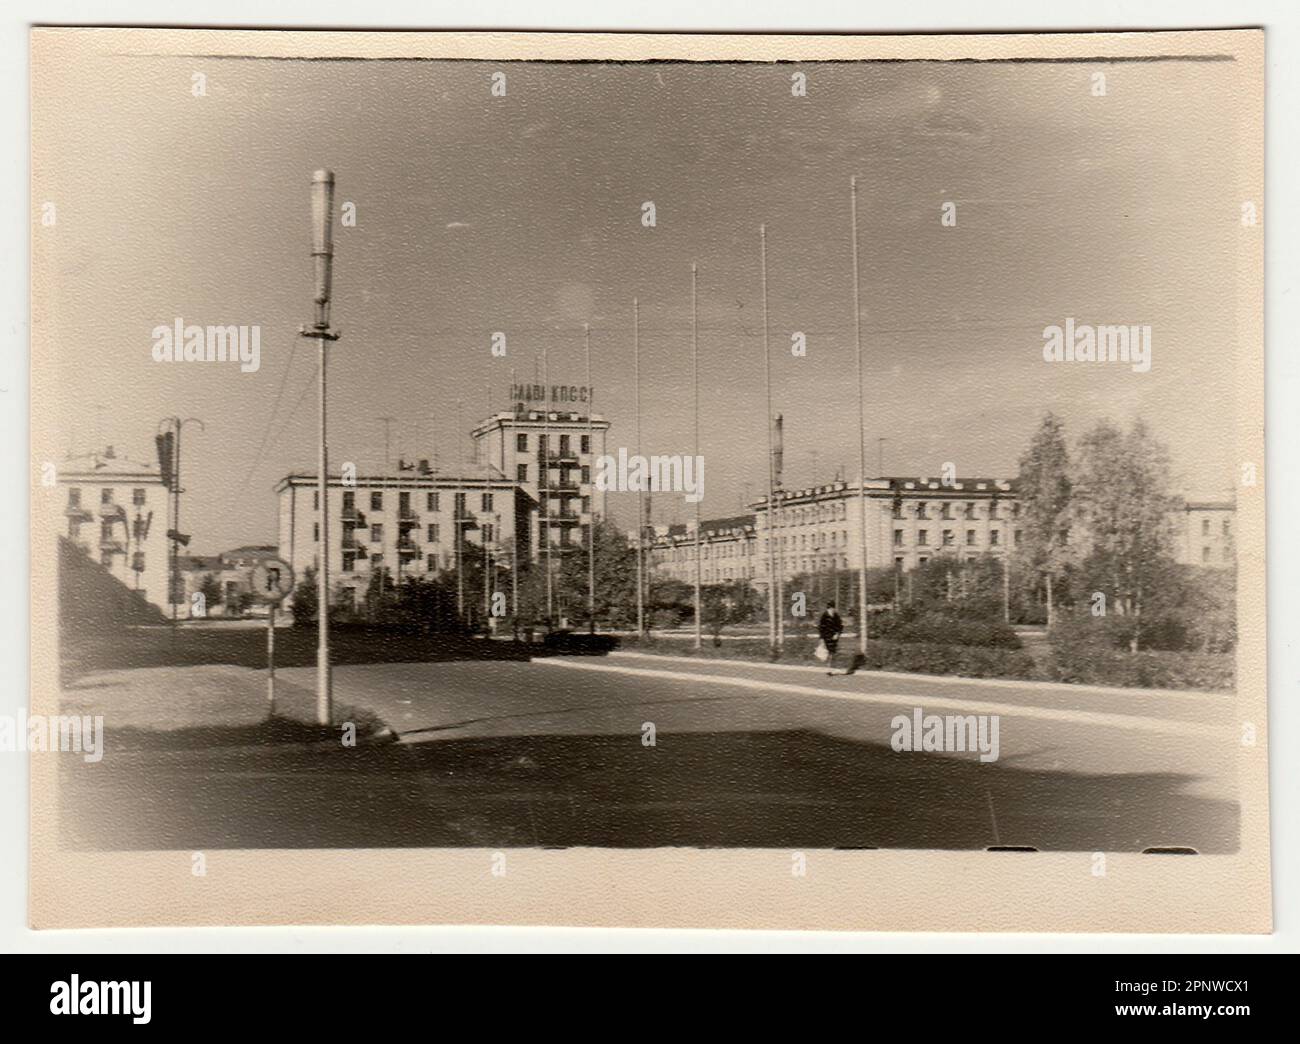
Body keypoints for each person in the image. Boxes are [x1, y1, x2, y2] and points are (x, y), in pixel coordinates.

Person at [817, 601, 844, 675]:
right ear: (828, 608)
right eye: (830, 609)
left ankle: (830, 668)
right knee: (828, 652)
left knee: (832, 652)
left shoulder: (836, 616)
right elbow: (821, 628)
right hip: (826, 637)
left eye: (833, 609)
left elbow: (840, 626)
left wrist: (837, 633)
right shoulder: (824, 616)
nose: (832, 610)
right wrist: (821, 638)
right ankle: (829, 668)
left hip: (834, 637)